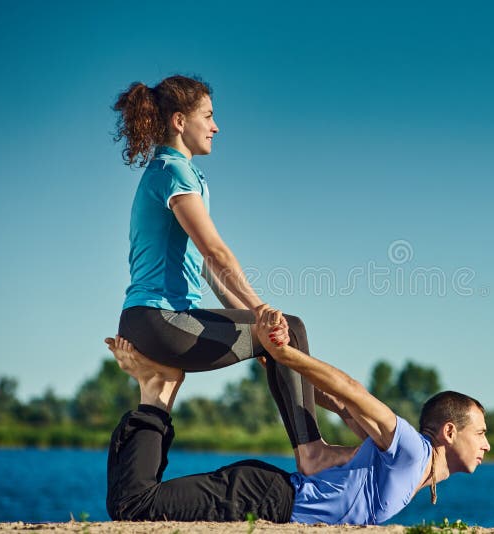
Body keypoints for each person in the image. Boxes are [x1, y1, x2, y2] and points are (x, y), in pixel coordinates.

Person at [111, 74, 352, 475]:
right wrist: (262, 310)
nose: (215, 126)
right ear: (178, 121)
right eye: (207, 115)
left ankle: (321, 438)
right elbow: (215, 252)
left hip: (151, 320)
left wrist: (258, 325)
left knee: (280, 332)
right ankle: (312, 451)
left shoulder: (170, 173)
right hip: (161, 320)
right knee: (289, 327)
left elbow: (208, 269)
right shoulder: (174, 173)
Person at [105, 308, 491, 525]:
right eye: (482, 433)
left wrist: (280, 370)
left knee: (137, 505)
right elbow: (351, 392)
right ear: (450, 431)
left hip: (270, 496)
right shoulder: (411, 450)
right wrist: (286, 356)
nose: (487, 445)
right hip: (262, 498)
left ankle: (156, 391)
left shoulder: (409, 467)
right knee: (135, 508)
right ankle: (156, 393)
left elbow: (337, 405)